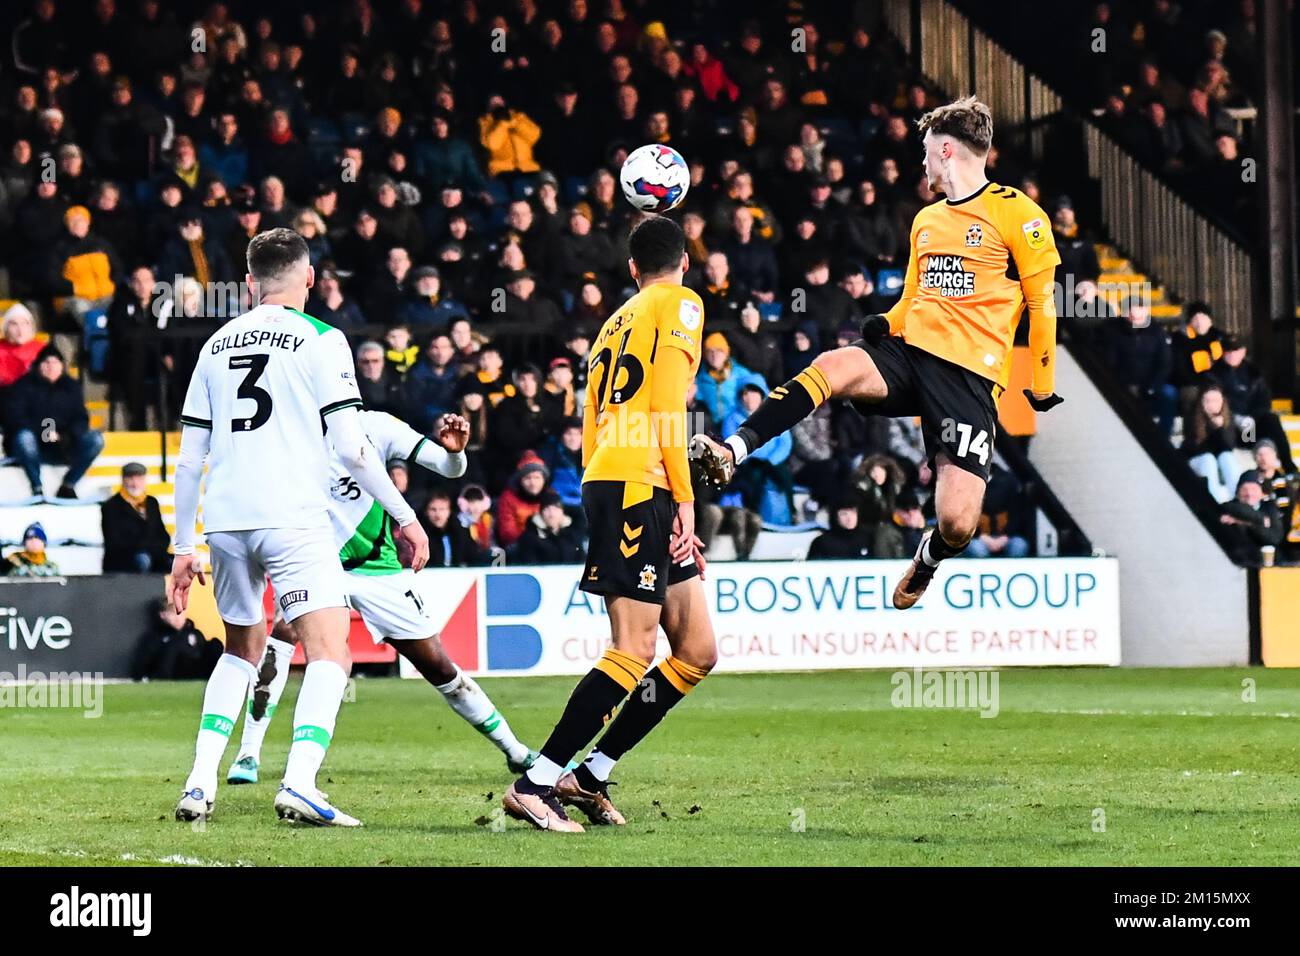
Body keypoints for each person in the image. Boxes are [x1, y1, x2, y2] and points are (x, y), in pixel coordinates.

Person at [692, 97, 1063, 609]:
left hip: (970, 379)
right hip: (912, 353)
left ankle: (928, 557)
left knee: (958, 523)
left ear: (948, 150)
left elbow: (1042, 303)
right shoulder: (926, 220)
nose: (924, 162)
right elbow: (914, 296)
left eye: (928, 151)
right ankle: (732, 449)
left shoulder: (1019, 214)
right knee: (831, 365)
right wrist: (885, 322)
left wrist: (1042, 384)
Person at [170, 228, 427, 827]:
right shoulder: (323, 339)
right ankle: (300, 784)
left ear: (251, 280)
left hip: (226, 521)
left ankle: (199, 783)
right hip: (293, 518)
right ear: (309, 278)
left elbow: (187, 461)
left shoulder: (214, 345)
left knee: (241, 651)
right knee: (331, 651)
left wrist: (184, 546)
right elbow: (351, 449)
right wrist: (405, 515)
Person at [503, 216, 715, 833]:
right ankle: (535, 782)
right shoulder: (681, 304)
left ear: (629, 270)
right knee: (633, 649)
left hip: (614, 472)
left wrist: (611, 477)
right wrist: (684, 497)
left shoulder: (611, 323)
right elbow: (669, 406)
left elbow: (593, 418)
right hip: (640, 483)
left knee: (696, 651)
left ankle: (590, 775)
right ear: (685, 263)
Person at [225, 412, 534, 785]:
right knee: (284, 631)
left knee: (436, 663)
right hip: (314, 563)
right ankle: (248, 753)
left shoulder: (376, 426)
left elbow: (448, 467)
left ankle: (514, 750)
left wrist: (455, 454)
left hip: (377, 568)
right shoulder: (291, 426)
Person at [5, 345, 105, 499]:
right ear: (39, 365)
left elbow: (81, 418)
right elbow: (14, 417)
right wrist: (43, 433)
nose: (51, 367)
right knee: (24, 438)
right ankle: (37, 487)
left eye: (55, 363)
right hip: (32, 448)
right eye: (47, 363)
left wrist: (64, 436)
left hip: (63, 446)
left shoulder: (72, 387)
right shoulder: (23, 386)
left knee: (96, 440)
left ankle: (68, 484)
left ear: (62, 366)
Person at [101, 462, 171, 573]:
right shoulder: (111, 506)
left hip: (152, 554)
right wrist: (146, 547)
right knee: (143, 560)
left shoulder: (151, 502)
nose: (135, 484)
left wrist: (154, 548)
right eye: (131, 479)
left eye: (139, 479)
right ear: (123, 480)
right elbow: (115, 542)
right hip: (124, 561)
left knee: (174, 563)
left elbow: (163, 535)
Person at [131, 599, 224, 681]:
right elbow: (142, 664)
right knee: (174, 645)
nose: (178, 617)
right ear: (163, 615)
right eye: (173, 613)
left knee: (215, 644)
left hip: (196, 671)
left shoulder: (194, 633)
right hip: (172, 674)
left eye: (181, 612)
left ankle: (222, 677)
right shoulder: (155, 637)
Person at [1184, 385, 1243, 503]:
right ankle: (1214, 501)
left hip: (1219, 457)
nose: (1211, 404)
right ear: (1201, 403)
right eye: (1207, 401)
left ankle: (1238, 498)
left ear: (1222, 402)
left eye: (1215, 401)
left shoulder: (1228, 417)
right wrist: (1211, 426)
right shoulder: (1192, 416)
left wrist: (1219, 429)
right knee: (1208, 459)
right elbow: (1195, 448)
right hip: (1198, 458)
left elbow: (1228, 447)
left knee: (1227, 457)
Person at [1219, 474, 1284, 566]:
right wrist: (1260, 520)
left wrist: (1244, 523)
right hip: (1239, 561)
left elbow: (1274, 538)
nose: (1249, 494)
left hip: (1269, 562)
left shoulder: (1270, 508)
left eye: (1253, 489)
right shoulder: (1230, 507)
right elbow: (1234, 508)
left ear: (1261, 493)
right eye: (1244, 489)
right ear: (1237, 493)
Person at [512, 490, 586, 565]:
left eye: (556, 509)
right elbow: (529, 566)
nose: (552, 514)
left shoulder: (572, 535)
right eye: (547, 509)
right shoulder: (529, 538)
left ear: (562, 512)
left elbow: (581, 561)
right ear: (541, 513)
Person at [421, 488, 483, 568]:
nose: (438, 515)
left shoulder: (461, 533)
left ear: (449, 511)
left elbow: (474, 558)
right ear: (426, 512)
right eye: (433, 510)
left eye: (442, 509)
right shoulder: (419, 535)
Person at [807, 497, 872, 559]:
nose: (849, 518)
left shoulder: (868, 539)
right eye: (844, 514)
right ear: (835, 517)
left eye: (853, 512)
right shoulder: (822, 543)